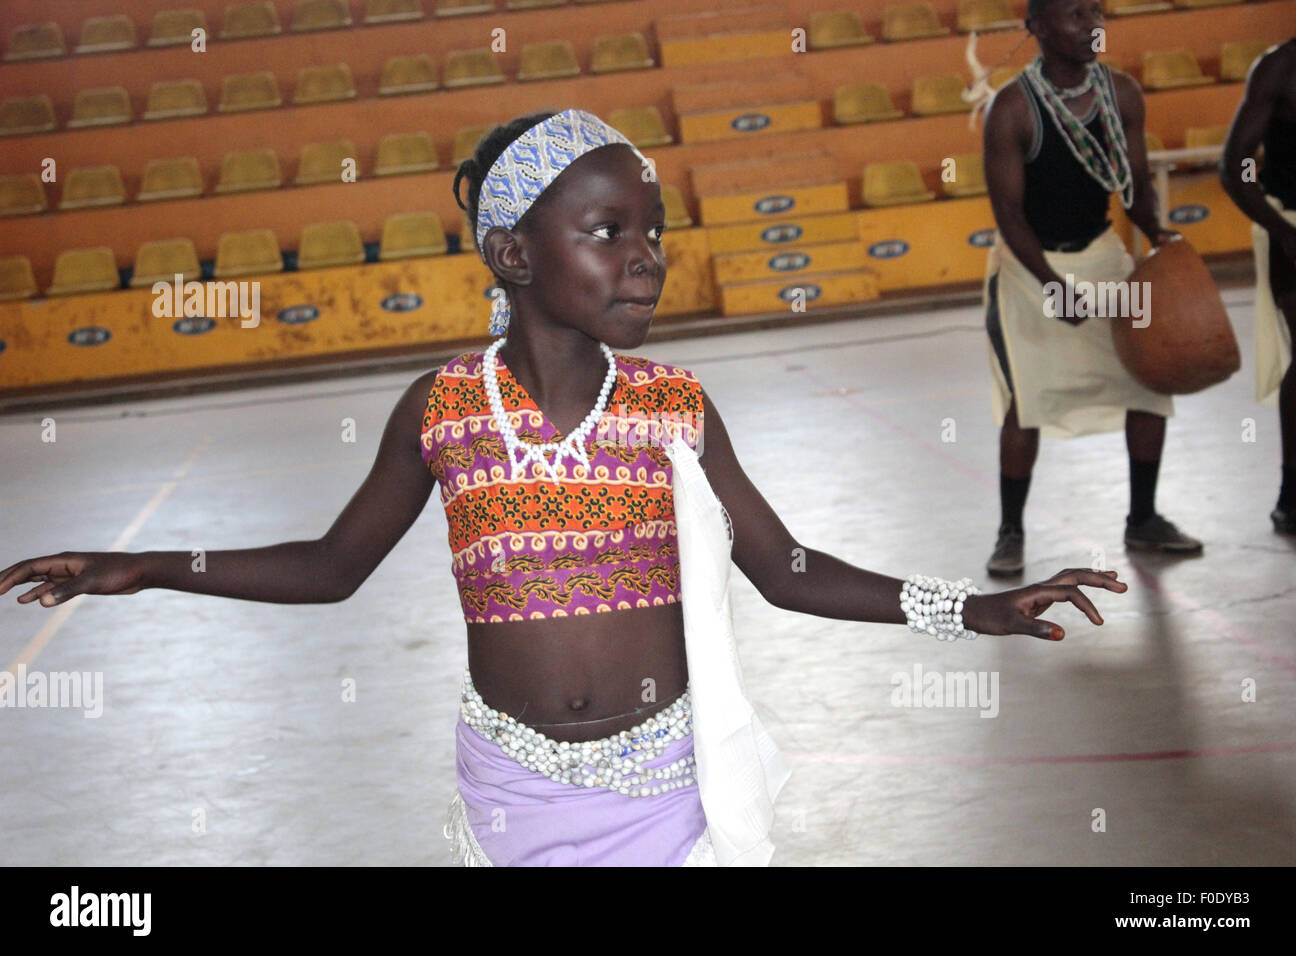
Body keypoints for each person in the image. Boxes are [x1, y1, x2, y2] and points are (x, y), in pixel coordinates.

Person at [0, 108, 1128, 867]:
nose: (646, 256)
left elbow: (784, 570)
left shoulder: (670, 407)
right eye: (608, 231)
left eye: (654, 232)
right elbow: (331, 566)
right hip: (512, 793)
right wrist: (140, 567)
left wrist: (969, 608)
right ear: (513, 252)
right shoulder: (443, 410)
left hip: (672, 793)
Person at [981, 0, 1203, 577]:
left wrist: (1158, 233)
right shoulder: (1011, 109)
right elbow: (1008, 214)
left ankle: (1144, 519)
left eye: (1097, 12)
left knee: (1150, 385)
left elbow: (1132, 184)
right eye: (1076, 15)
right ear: (1036, 28)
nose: (1092, 25)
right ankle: (1010, 532)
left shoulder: (1122, 92)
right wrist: (1054, 285)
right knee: (1025, 407)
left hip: (1104, 258)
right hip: (1031, 269)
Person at [1220, 34, 1296, 536]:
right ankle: (1292, 492)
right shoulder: (1278, 68)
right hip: (1292, 224)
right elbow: (1235, 168)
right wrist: (1284, 232)